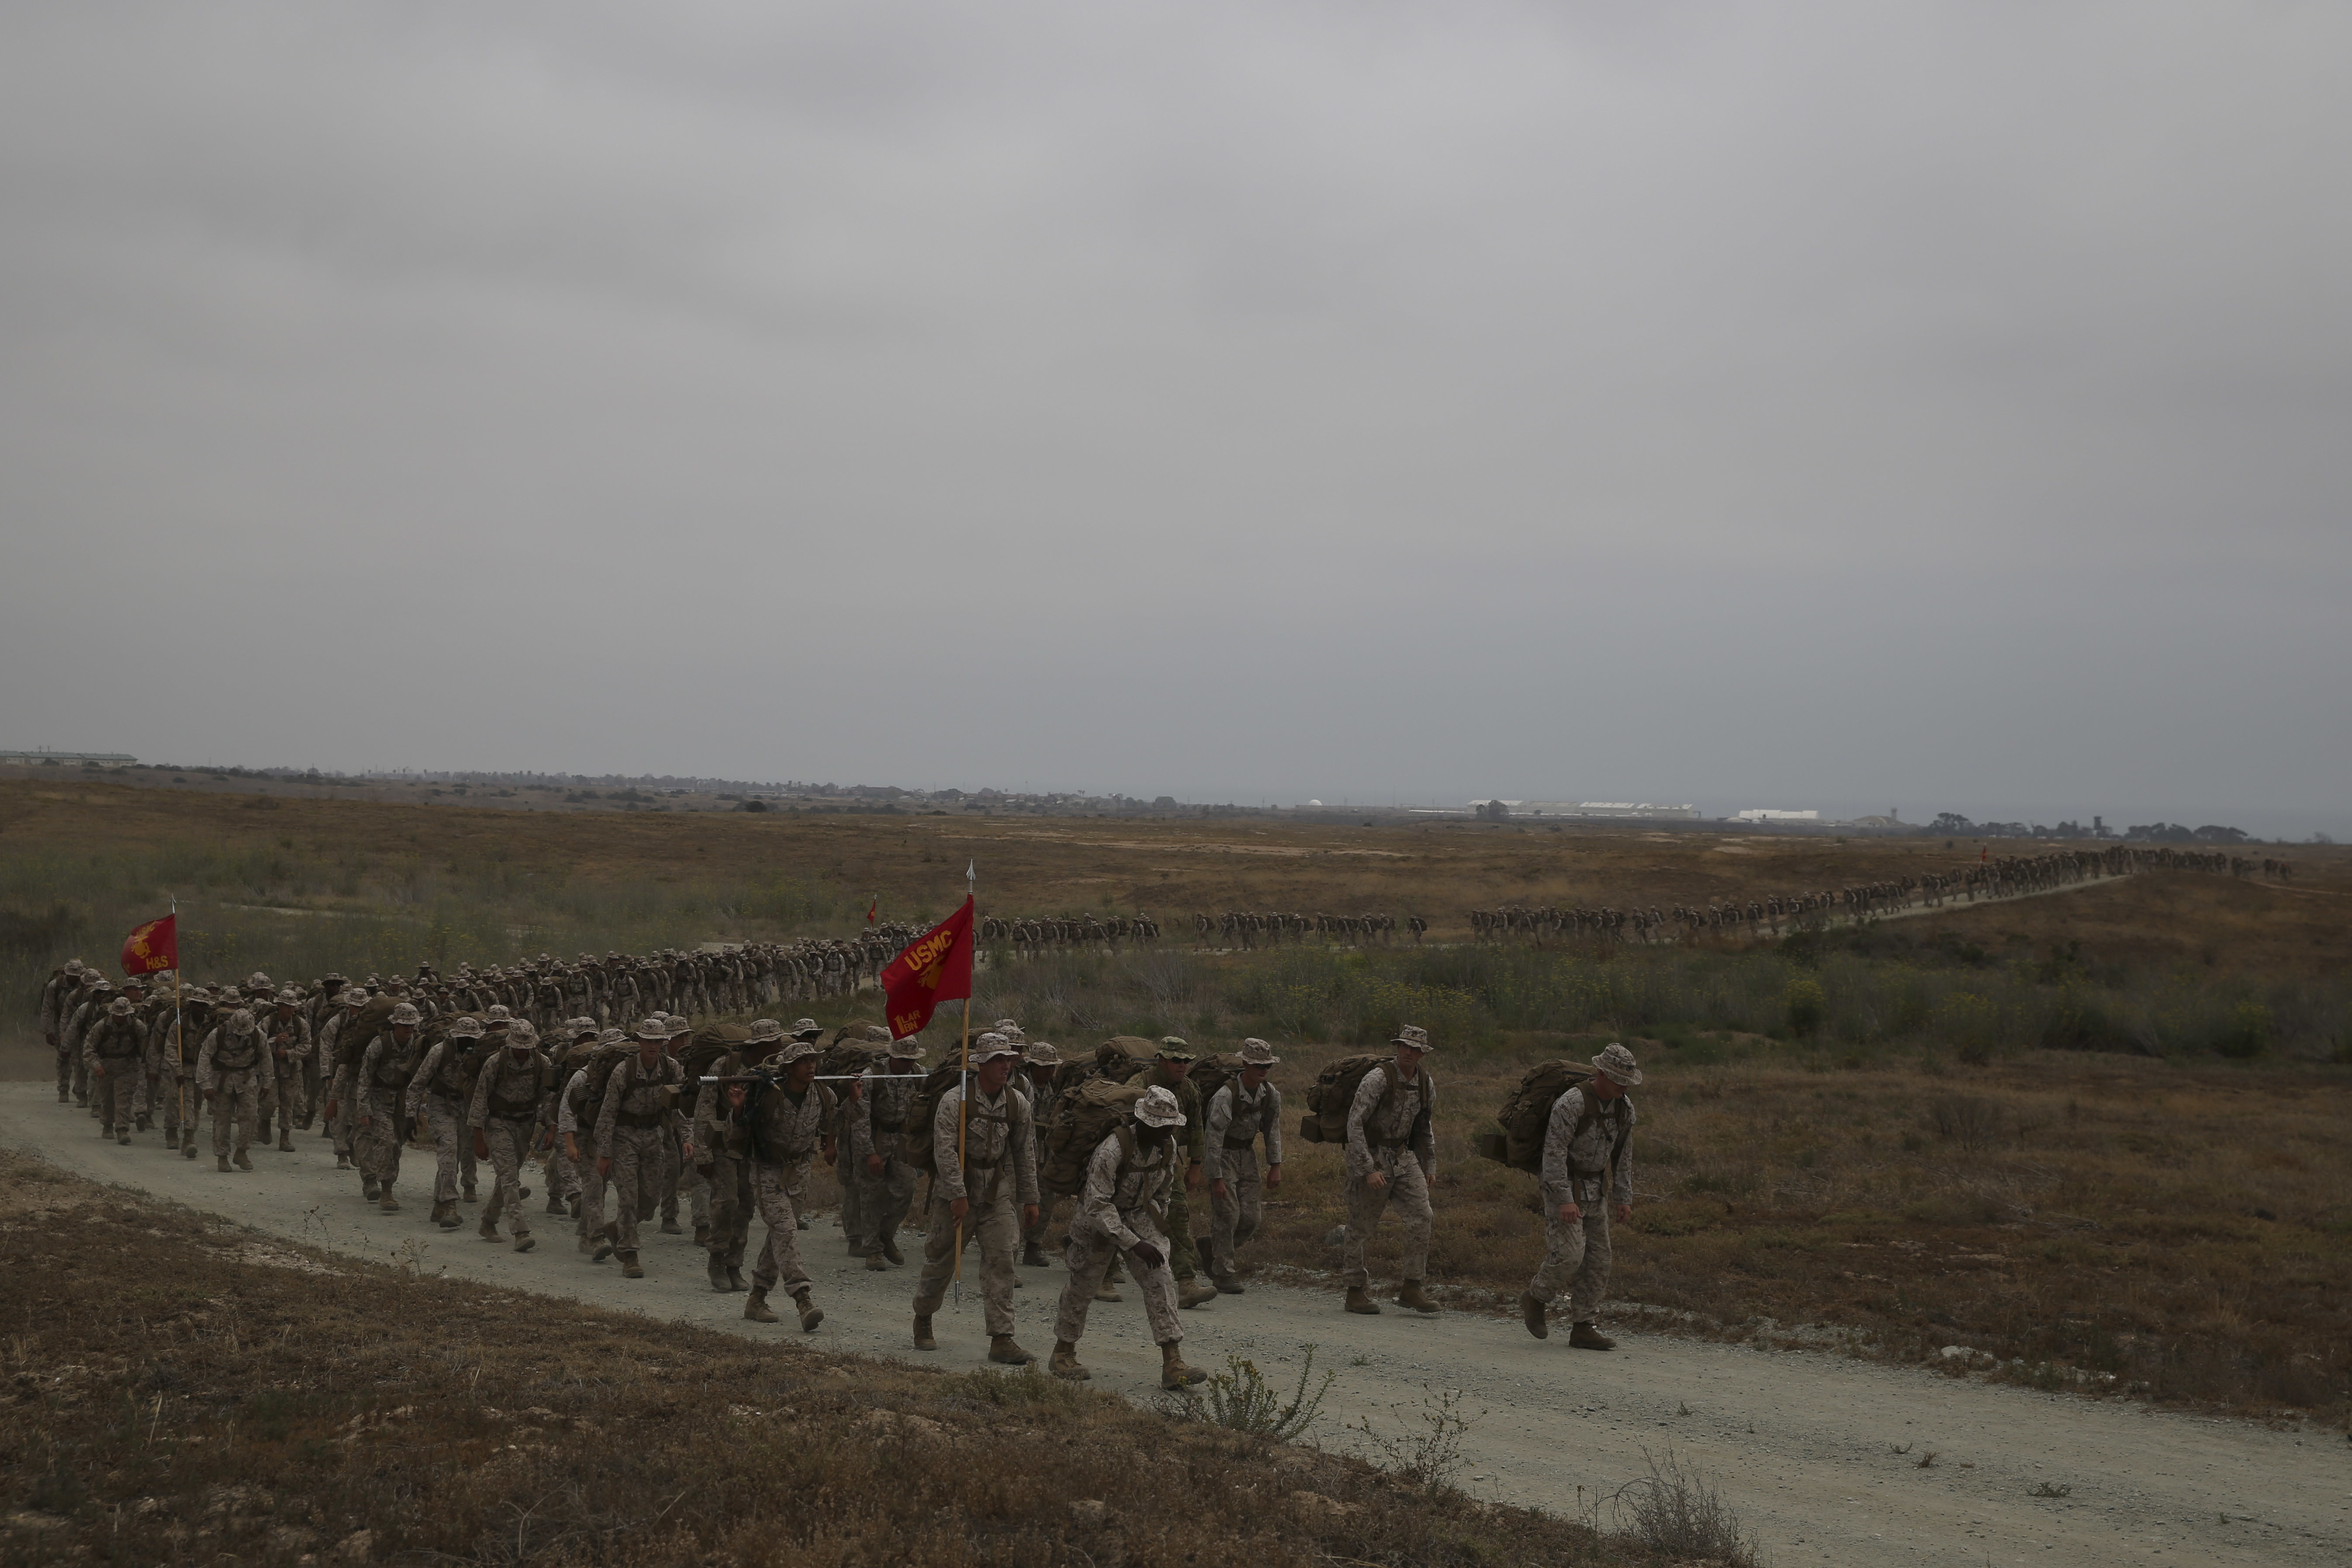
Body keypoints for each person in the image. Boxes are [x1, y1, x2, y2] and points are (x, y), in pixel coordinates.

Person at [1048, 1084, 1206, 1389]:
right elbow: (1097, 1204)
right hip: (1098, 1218)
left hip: (1138, 1214)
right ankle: (1062, 1352)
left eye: (1170, 1125)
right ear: (1144, 1123)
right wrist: (1134, 1243)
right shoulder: (1112, 1150)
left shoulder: (1167, 1146)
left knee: (1159, 1274)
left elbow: (1164, 1190)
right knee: (1083, 1285)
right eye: (1161, 1125)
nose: (1168, 1130)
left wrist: (1153, 1225)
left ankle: (1172, 1362)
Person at [910, 1033, 1039, 1366]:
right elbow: (945, 1150)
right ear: (981, 1063)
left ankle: (1002, 1338)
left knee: (1002, 1261)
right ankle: (923, 1318)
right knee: (940, 1260)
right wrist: (957, 1194)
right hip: (956, 1194)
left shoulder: (1018, 1103)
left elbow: (1024, 1152)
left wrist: (1030, 1198)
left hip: (996, 1193)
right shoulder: (956, 1101)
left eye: (1008, 1059)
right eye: (998, 1059)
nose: (1006, 1065)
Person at [1522, 1043, 1640, 1349]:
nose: (1623, 1085)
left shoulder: (1624, 1108)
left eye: (1626, 1080)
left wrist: (1623, 1196)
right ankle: (1535, 1297)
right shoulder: (1571, 1103)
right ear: (1601, 1073)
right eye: (1617, 1078)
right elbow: (1553, 1154)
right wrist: (1564, 1198)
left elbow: (1623, 1155)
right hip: (1563, 1186)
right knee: (1569, 1256)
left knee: (1599, 1260)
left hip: (1596, 1191)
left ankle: (1583, 1326)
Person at [723, 1036, 832, 1330]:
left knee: (779, 1237)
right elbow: (737, 1134)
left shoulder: (822, 1093)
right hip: (767, 1170)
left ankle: (757, 1298)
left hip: (799, 1171)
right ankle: (803, 1298)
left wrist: (857, 1102)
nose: (811, 1066)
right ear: (789, 1067)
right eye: (803, 1062)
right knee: (786, 1229)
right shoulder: (766, 1094)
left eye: (813, 1061)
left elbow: (836, 1121)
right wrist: (737, 1108)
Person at [1341, 1022, 1438, 1316]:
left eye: (1416, 1048)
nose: (1409, 1052)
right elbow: (1354, 1123)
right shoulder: (1377, 1079)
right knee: (1361, 1225)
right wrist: (1367, 1168)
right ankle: (1355, 1290)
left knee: (1423, 1217)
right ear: (1398, 1047)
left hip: (1403, 1156)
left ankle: (1412, 1287)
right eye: (1405, 1046)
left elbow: (1424, 1126)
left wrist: (1429, 1163)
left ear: (1423, 1053)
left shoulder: (1424, 1081)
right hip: (1372, 1154)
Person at [692, 1017, 782, 1291]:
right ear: (761, 1044)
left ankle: (734, 1265)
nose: (778, 1046)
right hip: (724, 1144)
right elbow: (705, 1108)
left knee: (745, 1207)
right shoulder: (726, 1066)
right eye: (774, 1042)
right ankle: (717, 1261)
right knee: (726, 1202)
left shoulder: (775, 1069)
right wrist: (703, 1154)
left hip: (752, 1147)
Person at [1134, 1038, 1222, 1310]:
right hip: (1132, 1160)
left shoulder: (1190, 1089)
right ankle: (1104, 1276)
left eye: (1186, 1060)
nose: (1182, 1065)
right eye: (1176, 1060)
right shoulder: (1139, 1084)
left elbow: (1197, 1128)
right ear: (1161, 1059)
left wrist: (1196, 1166)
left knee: (1178, 1216)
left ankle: (1186, 1282)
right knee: (1120, 1215)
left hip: (1170, 1158)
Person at [594, 1019, 683, 1279]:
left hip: (655, 1136)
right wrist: (605, 1152)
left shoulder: (672, 1068)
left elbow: (680, 1106)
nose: (654, 1046)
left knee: (651, 1200)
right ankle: (630, 1255)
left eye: (658, 1042)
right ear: (640, 1042)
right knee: (629, 1197)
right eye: (649, 1041)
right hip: (625, 1137)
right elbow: (608, 1113)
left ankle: (616, 1228)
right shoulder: (623, 1071)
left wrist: (687, 1138)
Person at [1203, 1038, 1283, 1291]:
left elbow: (1273, 1130)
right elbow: (1213, 1137)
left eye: (1267, 1066)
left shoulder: (1270, 1094)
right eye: (1259, 1065)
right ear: (1246, 1064)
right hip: (1224, 1154)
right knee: (1228, 1215)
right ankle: (1223, 1273)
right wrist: (1215, 1177)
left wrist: (1275, 1165)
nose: (1264, 1070)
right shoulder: (1226, 1095)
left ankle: (1214, 1251)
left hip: (1247, 1155)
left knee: (1251, 1219)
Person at [470, 1018, 550, 1253]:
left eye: (527, 1047)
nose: (523, 1052)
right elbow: (479, 1100)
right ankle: (520, 1231)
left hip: (526, 1125)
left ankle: (488, 1222)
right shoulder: (495, 1063)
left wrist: (552, 1127)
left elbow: (547, 1097)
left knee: (508, 1177)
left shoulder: (542, 1063)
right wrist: (478, 1139)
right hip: (499, 1123)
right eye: (519, 1047)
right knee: (509, 1176)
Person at [852, 1033, 926, 1268]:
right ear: (893, 1056)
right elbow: (860, 1118)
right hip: (874, 1138)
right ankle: (872, 1250)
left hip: (901, 1140)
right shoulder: (872, 1077)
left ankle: (887, 1235)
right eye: (904, 1060)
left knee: (907, 1187)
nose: (909, 1064)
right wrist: (870, 1153)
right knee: (872, 1196)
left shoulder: (917, 1074)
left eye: (912, 1060)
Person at [410, 1016, 486, 1230]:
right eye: (465, 1039)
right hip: (441, 1104)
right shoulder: (440, 1052)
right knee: (449, 1151)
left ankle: (439, 1204)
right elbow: (418, 1083)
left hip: (466, 1108)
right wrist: (410, 1115)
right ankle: (451, 1205)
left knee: (455, 1156)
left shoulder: (479, 1054)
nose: (469, 1042)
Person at [353, 1003, 428, 1209]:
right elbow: (365, 1077)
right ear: (395, 1024)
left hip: (402, 1100)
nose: (409, 1029)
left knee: (397, 1145)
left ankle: (387, 1181)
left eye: (412, 1025)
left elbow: (419, 1080)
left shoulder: (417, 1045)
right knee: (386, 1141)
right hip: (379, 1097)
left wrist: (414, 1113)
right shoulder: (379, 1045)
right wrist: (364, 1109)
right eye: (404, 1025)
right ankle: (386, 1191)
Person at [197, 1006, 270, 1174]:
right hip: (222, 1080)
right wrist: (205, 1084)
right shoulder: (217, 1034)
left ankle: (242, 1152)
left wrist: (267, 1083)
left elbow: (266, 1058)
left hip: (247, 1079)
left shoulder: (258, 1036)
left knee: (251, 1116)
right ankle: (222, 1157)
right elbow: (204, 1057)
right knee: (222, 1119)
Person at [1016, 1042, 1064, 1267]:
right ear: (1032, 1064)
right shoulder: (1020, 1085)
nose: (1049, 1071)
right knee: (1017, 1203)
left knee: (1046, 1201)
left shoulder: (1057, 1086)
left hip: (1048, 1153)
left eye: (1052, 1066)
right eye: (1044, 1066)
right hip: (1022, 1151)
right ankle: (1010, 1250)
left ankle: (1033, 1247)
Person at [83, 996, 148, 1144]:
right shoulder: (102, 1026)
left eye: (124, 1016)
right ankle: (107, 1125)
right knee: (107, 1098)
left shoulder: (138, 1027)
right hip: (106, 1067)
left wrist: (146, 1067)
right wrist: (96, 1065)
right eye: (118, 1016)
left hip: (128, 1067)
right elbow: (89, 1047)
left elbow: (145, 1050)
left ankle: (122, 1130)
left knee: (123, 1098)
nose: (121, 1019)